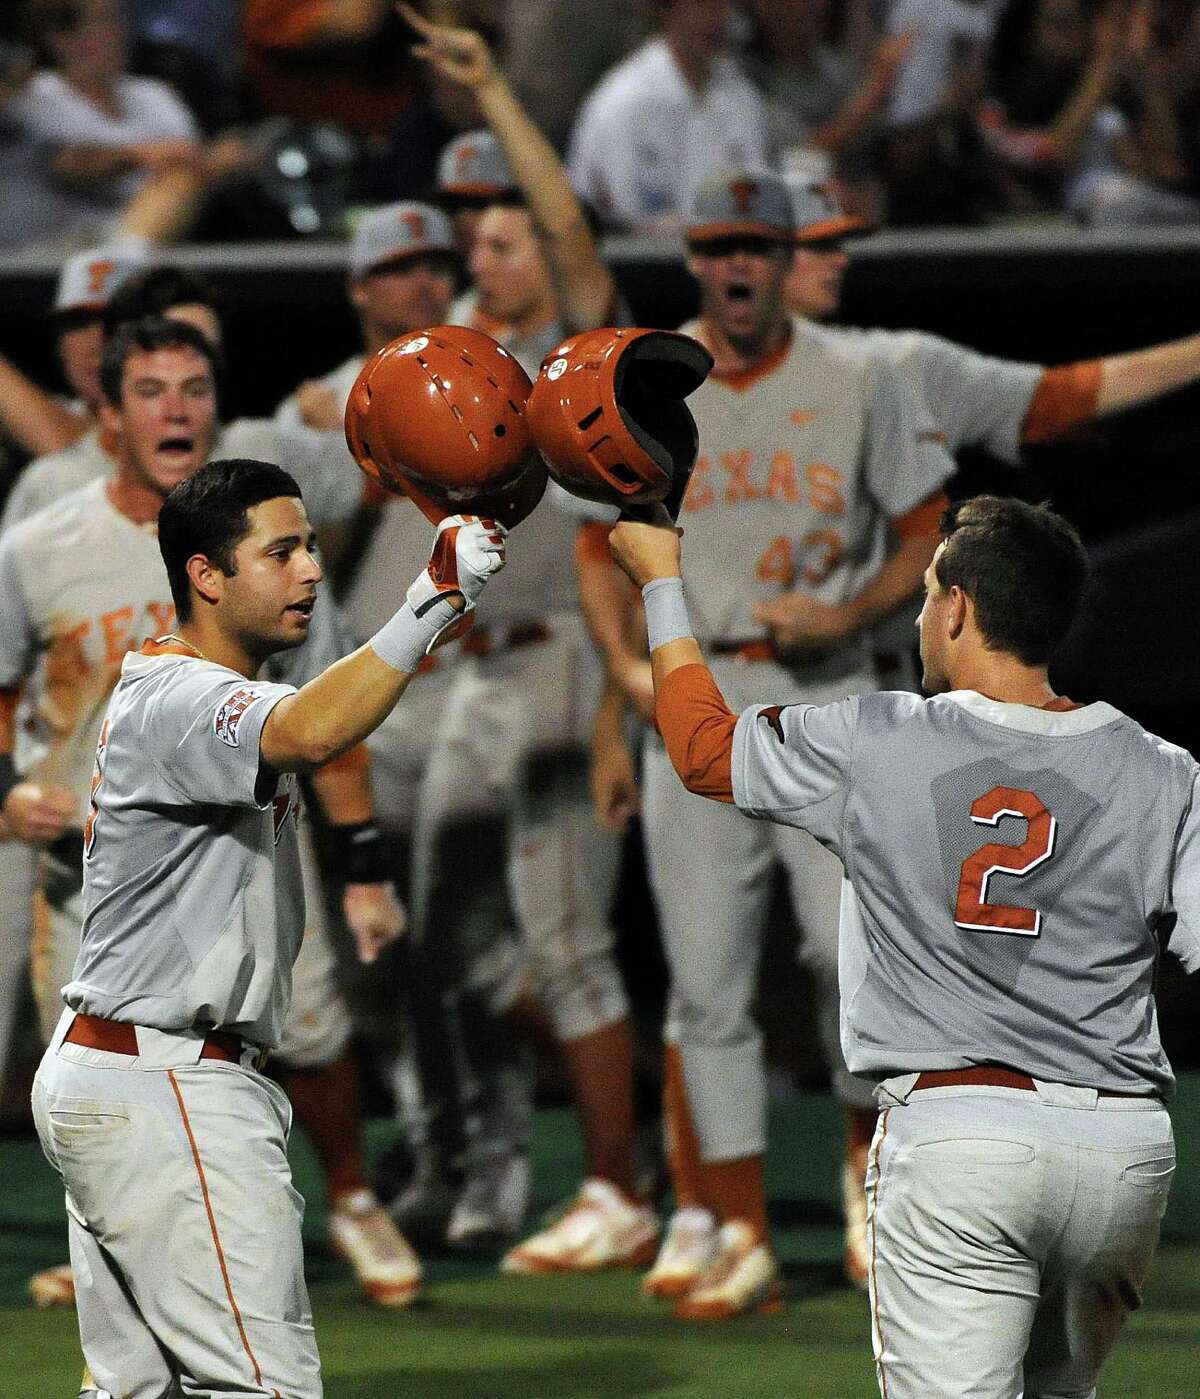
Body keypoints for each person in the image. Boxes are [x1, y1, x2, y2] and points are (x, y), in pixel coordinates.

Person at [607, 492, 1192, 1398]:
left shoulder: (877, 736)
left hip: (961, 1142)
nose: (920, 614)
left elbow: (699, 749)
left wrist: (661, 583)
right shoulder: (1162, 768)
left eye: (926, 593)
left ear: (958, 607)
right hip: (1123, 1155)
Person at [29, 423, 505, 1394]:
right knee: (265, 1385)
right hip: (164, 1087)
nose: (308, 571)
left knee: (135, 1389)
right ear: (205, 574)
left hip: (124, 1071)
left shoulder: (199, 688)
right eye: (280, 551)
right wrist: (433, 598)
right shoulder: (181, 696)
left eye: (312, 547)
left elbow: (307, 721)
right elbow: (309, 729)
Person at [574, 167, 956, 1313]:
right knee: (703, 983)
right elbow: (599, 550)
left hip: (827, 691)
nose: (739, 265)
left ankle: (869, 1174)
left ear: (790, 259)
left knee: (851, 959)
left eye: (759, 245)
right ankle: (737, 1223)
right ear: (692, 256)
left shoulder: (859, 377)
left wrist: (851, 611)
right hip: (701, 687)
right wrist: (632, 680)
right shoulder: (643, 376)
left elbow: (926, 532)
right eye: (720, 244)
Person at [3, 318, 421, 1325]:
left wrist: (361, 859)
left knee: (303, 1026)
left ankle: (352, 1196)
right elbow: (316, 721)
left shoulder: (270, 558)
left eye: (194, 386)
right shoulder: (40, 544)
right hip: (100, 878)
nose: (176, 408)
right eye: (150, 389)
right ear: (106, 414)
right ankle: (122, 1226)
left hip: (248, 849)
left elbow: (327, 714)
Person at [384, 8, 658, 1269]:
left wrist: (494, 95)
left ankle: (620, 1182)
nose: (485, 258)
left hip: (564, 661)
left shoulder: (574, 369)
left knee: (567, 941)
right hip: (480, 674)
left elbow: (570, 231)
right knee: (445, 938)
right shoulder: (464, 369)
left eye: (502, 240)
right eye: (475, 242)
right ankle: (572, 1138)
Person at [2, 265, 363, 534]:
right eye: (176, 341)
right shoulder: (55, 484)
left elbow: (377, 490)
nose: (197, 357)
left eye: (208, 348)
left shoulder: (258, 448)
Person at [566, 0, 772, 232]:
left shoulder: (742, 96)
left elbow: (760, 200)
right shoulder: (622, 103)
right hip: (639, 264)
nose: (720, 17)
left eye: (727, 5)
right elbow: (611, 219)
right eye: (705, 4)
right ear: (665, 9)